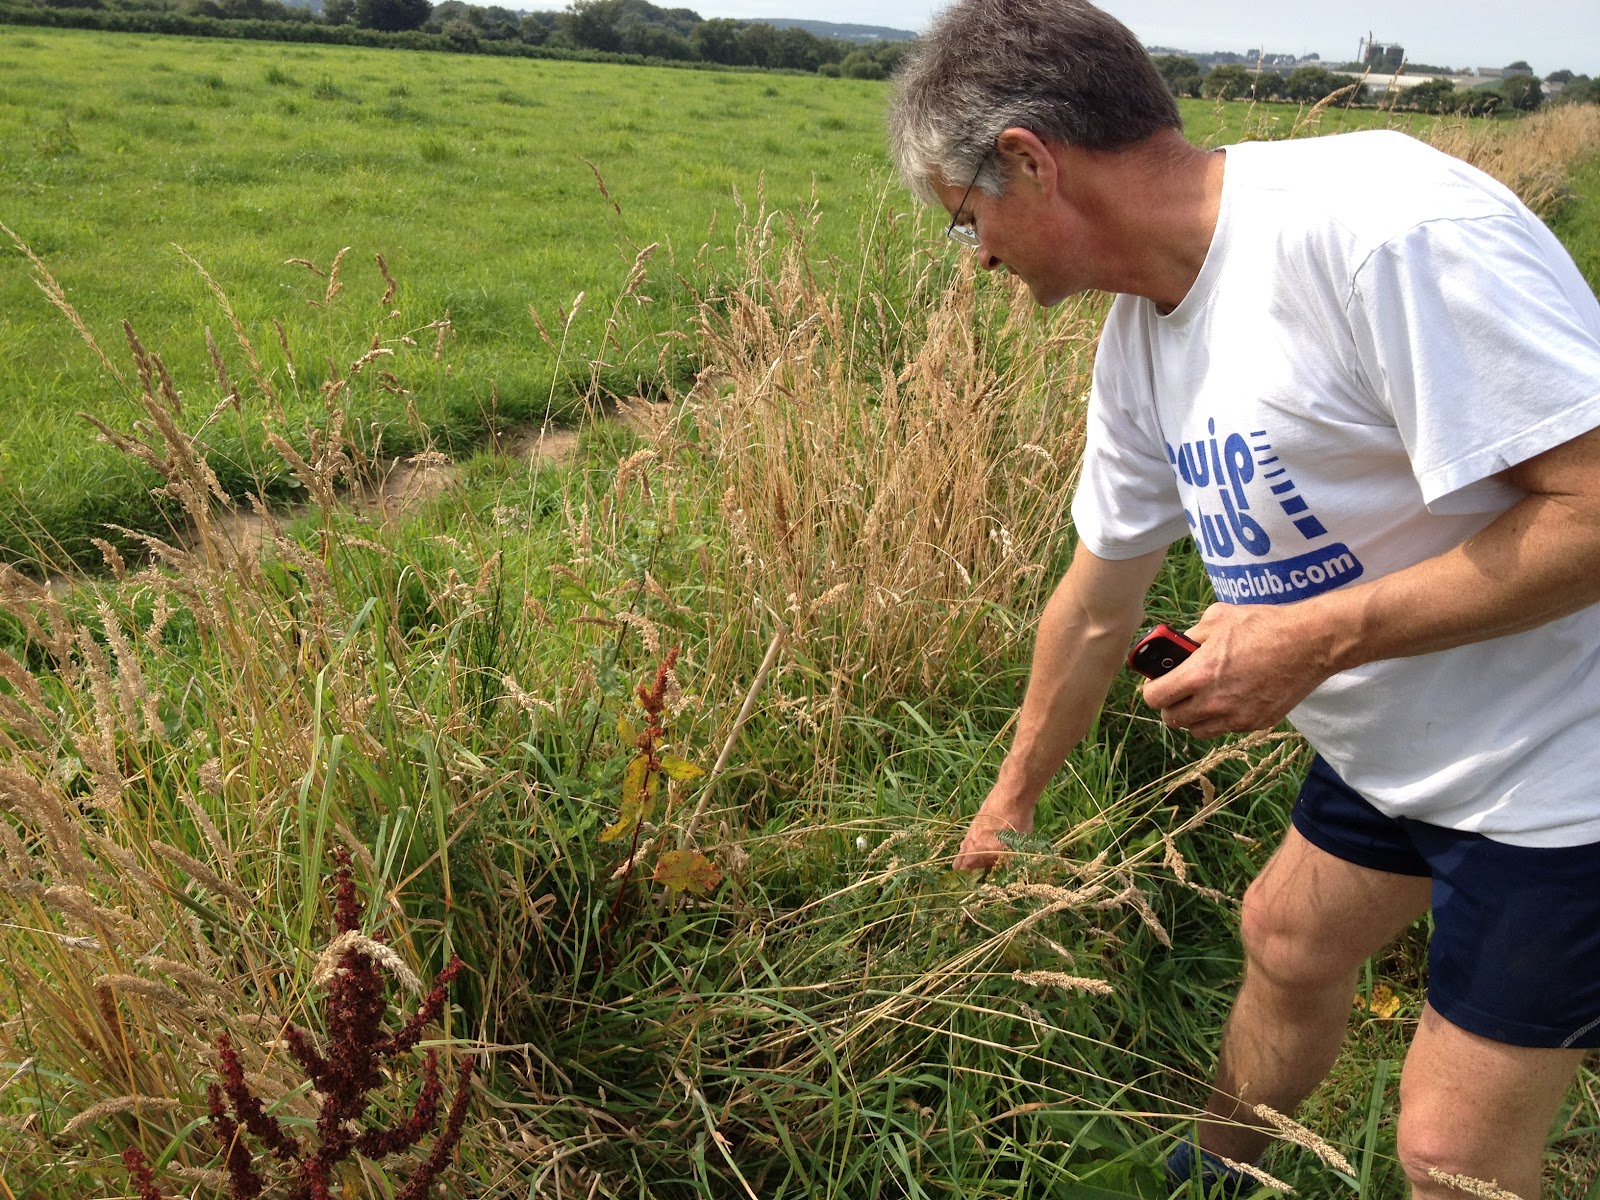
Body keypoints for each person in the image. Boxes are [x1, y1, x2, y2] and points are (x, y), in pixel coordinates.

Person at [887, 1, 1600, 1197]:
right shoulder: (1140, 342)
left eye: (967, 226)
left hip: (1565, 775)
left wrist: (1317, 635)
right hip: (1408, 741)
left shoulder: (1381, 230)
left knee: (1448, 1156)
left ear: (1026, 159)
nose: (980, 262)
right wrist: (1008, 805)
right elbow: (1097, 598)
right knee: (1281, 938)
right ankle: (1212, 1180)